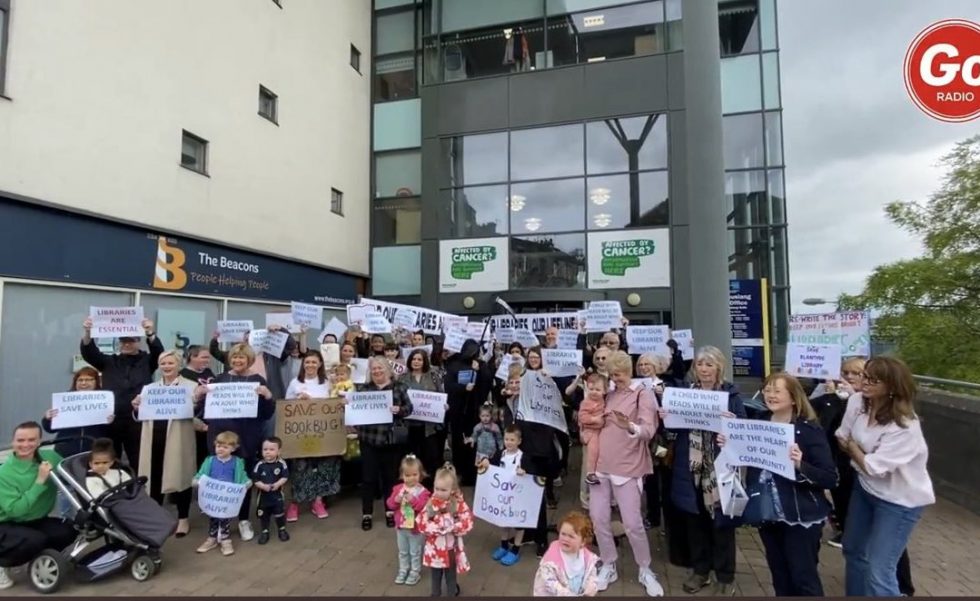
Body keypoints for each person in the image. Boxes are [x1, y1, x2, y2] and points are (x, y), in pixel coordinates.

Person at [720, 373, 837, 596]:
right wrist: (729, 442)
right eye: (767, 390)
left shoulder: (808, 430)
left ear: (793, 397)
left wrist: (800, 464)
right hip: (768, 513)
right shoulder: (759, 422)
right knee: (779, 576)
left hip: (800, 515)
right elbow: (744, 456)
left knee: (803, 578)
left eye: (777, 391)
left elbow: (829, 478)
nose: (770, 395)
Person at [836, 356, 934, 597]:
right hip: (866, 489)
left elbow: (874, 467)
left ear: (891, 387)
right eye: (865, 376)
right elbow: (841, 437)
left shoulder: (904, 426)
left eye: (873, 380)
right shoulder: (857, 402)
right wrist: (858, 452)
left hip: (899, 501)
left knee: (879, 569)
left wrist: (855, 449)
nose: (864, 383)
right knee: (853, 550)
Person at [665, 346, 746, 596]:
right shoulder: (685, 394)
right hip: (691, 469)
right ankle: (701, 570)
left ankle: (725, 575)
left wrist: (731, 423)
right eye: (700, 364)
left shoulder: (730, 395)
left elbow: (743, 431)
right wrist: (667, 417)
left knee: (722, 524)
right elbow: (673, 432)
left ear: (719, 367)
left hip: (720, 468)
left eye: (709, 364)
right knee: (695, 521)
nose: (704, 369)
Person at [587, 351, 664, 597]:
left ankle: (645, 568)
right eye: (611, 375)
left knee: (632, 523)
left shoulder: (643, 393)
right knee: (598, 518)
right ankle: (608, 563)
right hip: (601, 464)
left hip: (628, 465)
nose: (614, 379)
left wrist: (628, 425)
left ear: (628, 371)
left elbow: (649, 430)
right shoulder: (607, 393)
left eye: (618, 374)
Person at [194, 343, 276, 542]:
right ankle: (220, 521)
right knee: (219, 478)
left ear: (249, 360)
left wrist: (268, 396)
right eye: (234, 358)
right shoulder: (219, 379)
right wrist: (199, 397)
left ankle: (243, 520)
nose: (237, 361)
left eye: (242, 358)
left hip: (247, 438)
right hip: (220, 438)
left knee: (243, 479)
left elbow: (266, 414)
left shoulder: (257, 381)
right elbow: (204, 409)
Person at [0, 422, 78, 590]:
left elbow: (71, 470)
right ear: (13, 442)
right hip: (6, 523)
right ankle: (4, 562)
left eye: (31, 440)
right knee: (35, 540)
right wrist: (40, 481)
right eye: (20, 440)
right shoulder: (4, 473)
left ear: (39, 441)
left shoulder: (49, 457)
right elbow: (16, 511)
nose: (25, 445)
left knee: (70, 529)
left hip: (35, 519)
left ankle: (37, 557)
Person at [131, 350, 199, 538]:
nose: (167, 367)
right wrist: (136, 407)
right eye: (163, 363)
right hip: (153, 439)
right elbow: (140, 416)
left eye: (170, 363)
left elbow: (197, 412)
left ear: (179, 365)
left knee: (181, 477)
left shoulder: (190, 387)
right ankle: (157, 518)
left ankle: (183, 519)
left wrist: (197, 400)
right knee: (153, 478)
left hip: (178, 440)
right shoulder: (150, 388)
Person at [80, 316, 163, 464]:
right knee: (111, 459)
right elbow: (89, 352)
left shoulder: (147, 361)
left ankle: (139, 486)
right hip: (112, 420)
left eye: (130, 341)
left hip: (137, 419)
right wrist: (88, 332)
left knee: (138, 459)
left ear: (138, 341)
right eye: (123, 341)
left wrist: (150, 333)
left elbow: (159, 352)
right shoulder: (109, 362)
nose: (126, 344)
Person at [355, 356, 414, 531]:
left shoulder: (400, 387)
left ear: (388, 370)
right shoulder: (364, 390)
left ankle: (390, 511)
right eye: (374, 369)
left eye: (380, 368)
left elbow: (409, 408)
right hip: (369, 439)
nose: (377, 371)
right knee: (368, 478)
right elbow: (355, 411)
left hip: (391, 441)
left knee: (390, 478)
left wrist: (400, 410)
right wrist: (348, 406)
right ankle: (367, 513)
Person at [284, 351, 340, 522]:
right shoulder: (295, 382)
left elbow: (334, 403)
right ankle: (295, 503)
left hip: (323, 434)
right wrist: (298, 401)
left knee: (323, 467)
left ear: (320, 364)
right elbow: (286, 407)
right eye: (307, 362)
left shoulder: (328, 383)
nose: (310, 365)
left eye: (314, 362)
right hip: (301, 433)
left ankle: (318, 501)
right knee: (301, 467)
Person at [193, 430, 252, 556]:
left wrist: (246, 483)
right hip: (213, 497)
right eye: (218, 446)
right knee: (213, 517)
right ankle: (212, 538)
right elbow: (201, 474)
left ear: (233, 448)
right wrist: (197, 480)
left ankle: (225, 539)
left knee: (225, 518)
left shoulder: (237, 462)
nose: (220, 449)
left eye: (225, 447)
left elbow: (242, 476)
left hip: (227, 498)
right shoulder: (210, 461)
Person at [419, 463, 474, 597]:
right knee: (435, 576)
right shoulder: (431, 503)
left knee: (451, 576)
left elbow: (468, 521)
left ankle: (452, 593)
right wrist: (436, 528)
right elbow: (420, 522)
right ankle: (435, 594)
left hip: (451, 549)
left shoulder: (458, 503)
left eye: (443, 490)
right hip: (434, 550)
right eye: (436, 488)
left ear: (452, 489)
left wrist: (454, 527)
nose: (438, 492)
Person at [444, 339, 493, 487]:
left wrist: (479, 371)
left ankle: (474, 472)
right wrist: (463, 388)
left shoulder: (481, 365)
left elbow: (487, 384)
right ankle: (461, 471)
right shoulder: (454, 365)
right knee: (459, 442)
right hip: (458, 410)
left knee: (475, 441)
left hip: (474, 411)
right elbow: (449, 385)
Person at [479, 424, 526, 566]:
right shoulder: (501, 453)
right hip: (503, 495)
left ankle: (516, 549)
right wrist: (486, 461)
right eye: (506, 439)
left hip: (517, 496)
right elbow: (491, 464)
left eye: (512, 440)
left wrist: (523, 472)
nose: (509, 442)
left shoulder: (522, 456)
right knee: (503, 520)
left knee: (518, 523)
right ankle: (504, 545)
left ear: (519, 441)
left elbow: (527, 472)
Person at [398, 349, 446, 485]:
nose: (416, 362)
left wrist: (444, 406)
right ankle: (412, 489)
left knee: (431, 458)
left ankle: (430, 489)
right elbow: (398, 398)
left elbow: (441, 394)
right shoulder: (402, 378)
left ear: (425, 361)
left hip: (429, 427)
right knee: (412, 459)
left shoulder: (433, 376)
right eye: (414, 359)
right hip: (409, 426)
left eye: (419, 359)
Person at [42, 367, 113, 458]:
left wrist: (111, 422)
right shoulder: (64, 401)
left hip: (94, 454)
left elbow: (112, 432)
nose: (84, 383)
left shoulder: (106, 401)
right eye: (80, 380)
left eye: (88, 380)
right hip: (65, 452)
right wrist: (47, 419)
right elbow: (50, 429)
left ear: (97, 382)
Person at [532, 511, 600, 597]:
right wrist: (567, 594)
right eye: (563, 534)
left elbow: (592, 573)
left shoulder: (588, 557)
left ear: (582, 542)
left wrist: (590, 588)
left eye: (571, 536)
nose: (566, 539)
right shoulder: (551, 560)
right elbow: (548, 581)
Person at [386, 454, 431, 587]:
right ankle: (403, 569)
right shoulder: (398, 489)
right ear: (402, 475)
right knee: (403, 551)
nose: (411, 478)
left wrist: (413, 500)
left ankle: (415, 571)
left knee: (415, 551)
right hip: (401, 528)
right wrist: (395, 500)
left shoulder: (423, 492)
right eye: (407, 475)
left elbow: (423, 507)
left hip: (415, 529)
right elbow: (389, 504)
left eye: (414, 475)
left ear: (420, 474)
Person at [182, 345, 216, 467]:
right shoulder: (183, 375)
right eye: (204, 357)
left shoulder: (208, 372)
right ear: (192, 357)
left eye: (208, 357)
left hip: (211, 421)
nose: (207, 360)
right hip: (195, 422)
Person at [252, 437, 290, 545]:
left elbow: (285, 476)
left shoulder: (281, 463)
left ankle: (281, 529)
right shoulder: (259, 465)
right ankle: (265, 531)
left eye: (271, 449)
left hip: (277, 495)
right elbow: (255, 479)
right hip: (263, 496)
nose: (268, 452)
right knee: (264, 515)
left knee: (279, 513)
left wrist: (278, 484)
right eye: (265, 449)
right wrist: (262, 486)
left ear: (279, 451)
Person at [577, 373, 607, 486]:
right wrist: (594, 419)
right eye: (591, 389)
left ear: (604, 391)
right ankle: (590, 473)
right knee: (593, 451)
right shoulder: (586, 402)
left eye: (598, 389)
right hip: (591, 432)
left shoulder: (603, 401)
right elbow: (582, 417)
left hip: (601, 431)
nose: (594, 392)